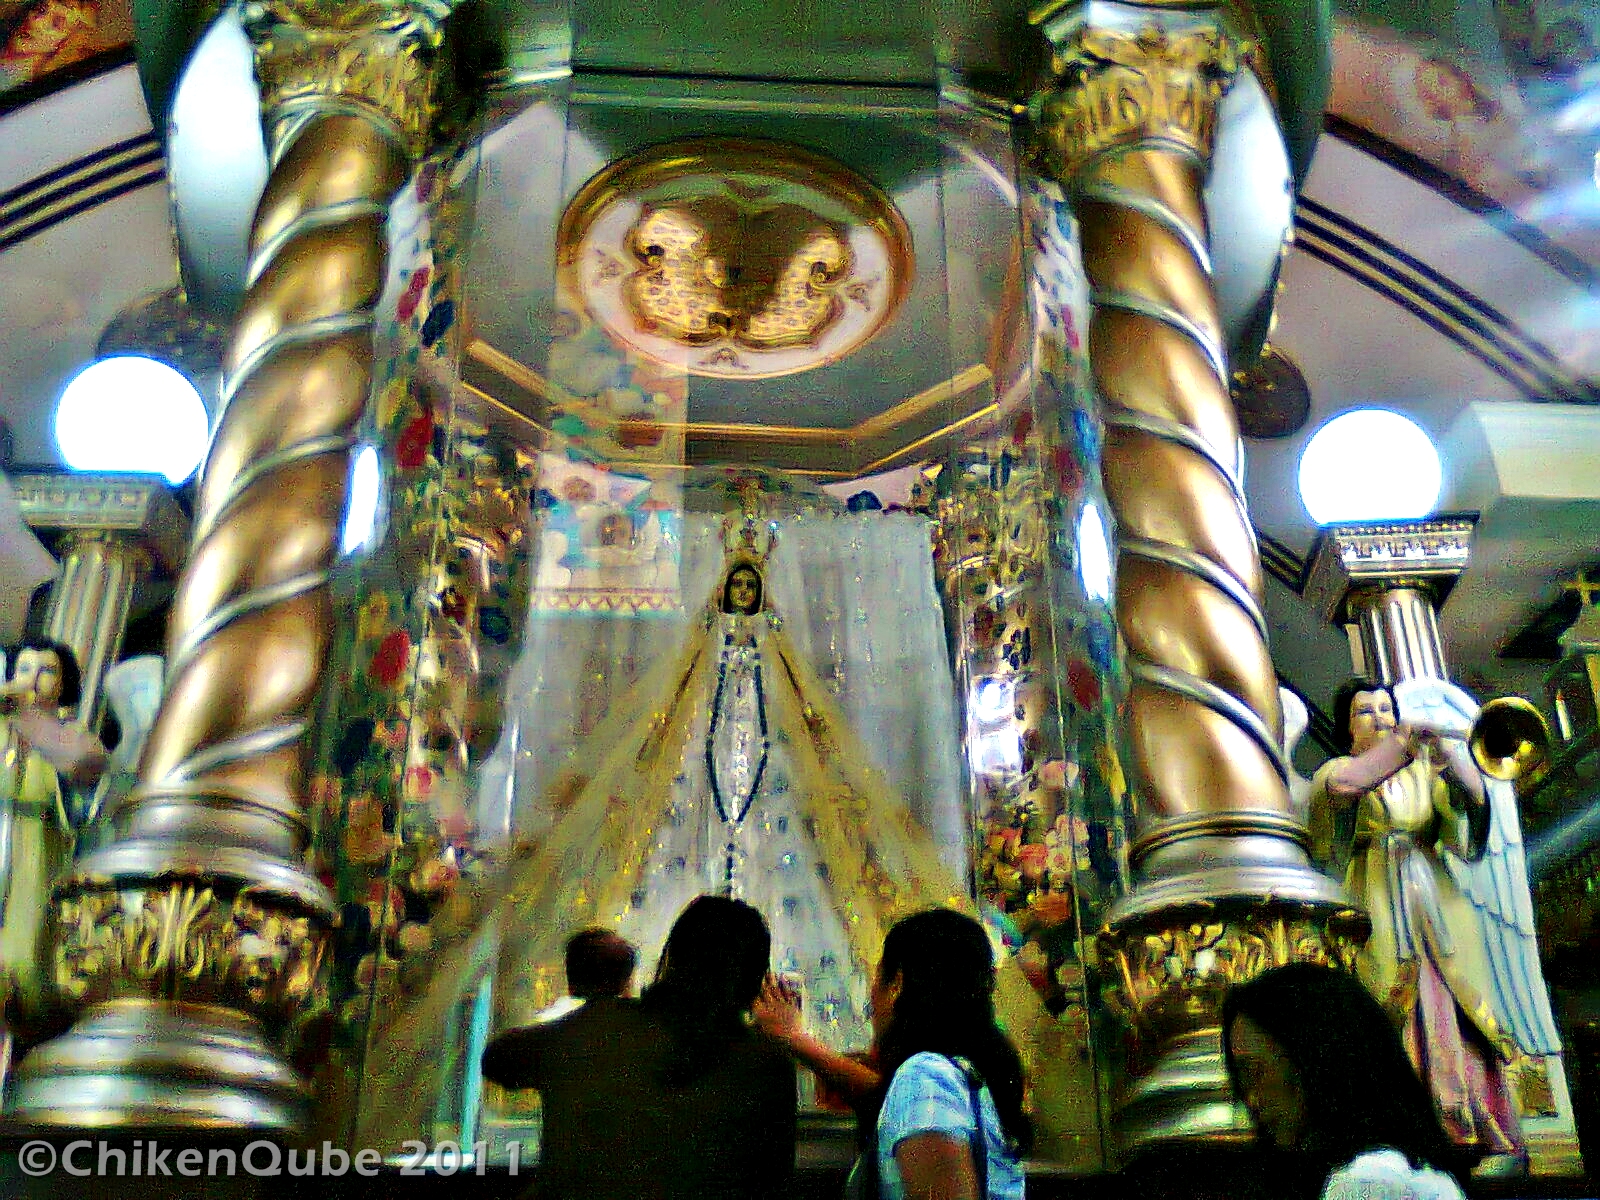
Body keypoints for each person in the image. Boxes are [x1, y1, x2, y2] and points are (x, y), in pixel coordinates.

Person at [1310, 680, 1523, 1163]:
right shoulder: (1341, 768)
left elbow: (1467, 839)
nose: (1381, 717)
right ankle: (1396, 1128)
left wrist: (1458, 763)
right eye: (1366, 712)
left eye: (1388, 708)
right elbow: (1344, 788)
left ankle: (1465, 1119)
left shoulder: (1425, 772)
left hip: (1432, 897)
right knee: (1386, 1000)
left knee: (1449, 999)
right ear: (1347, 728)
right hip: (1375, 895)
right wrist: (1406, 741)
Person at [482, 897, 795, 1200]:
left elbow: (497, 1058)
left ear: (671, 957)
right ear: (756, 980)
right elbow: (772, 1179)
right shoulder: (766, 1062)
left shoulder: (595, 1029)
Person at [1223, 962, 1469, 1200]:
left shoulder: (1369, 1181)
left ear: (1315, 1062)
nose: (1252, 1099)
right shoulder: (1396, 1170)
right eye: (1241, 1079)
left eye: (1256, 1072)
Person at [847, 908, 1029, 1200]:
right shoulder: (962, 1077)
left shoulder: (924, 1077)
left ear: (897, 984)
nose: (871, 997)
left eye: (878, 975)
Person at [0, 639, 105, 1028]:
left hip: (35, 850)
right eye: (25, 669)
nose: (33, 679)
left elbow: (87, 766)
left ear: (63, 685)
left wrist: (32, 722)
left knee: (22, 962)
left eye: (47, 670)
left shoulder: (67, 734)